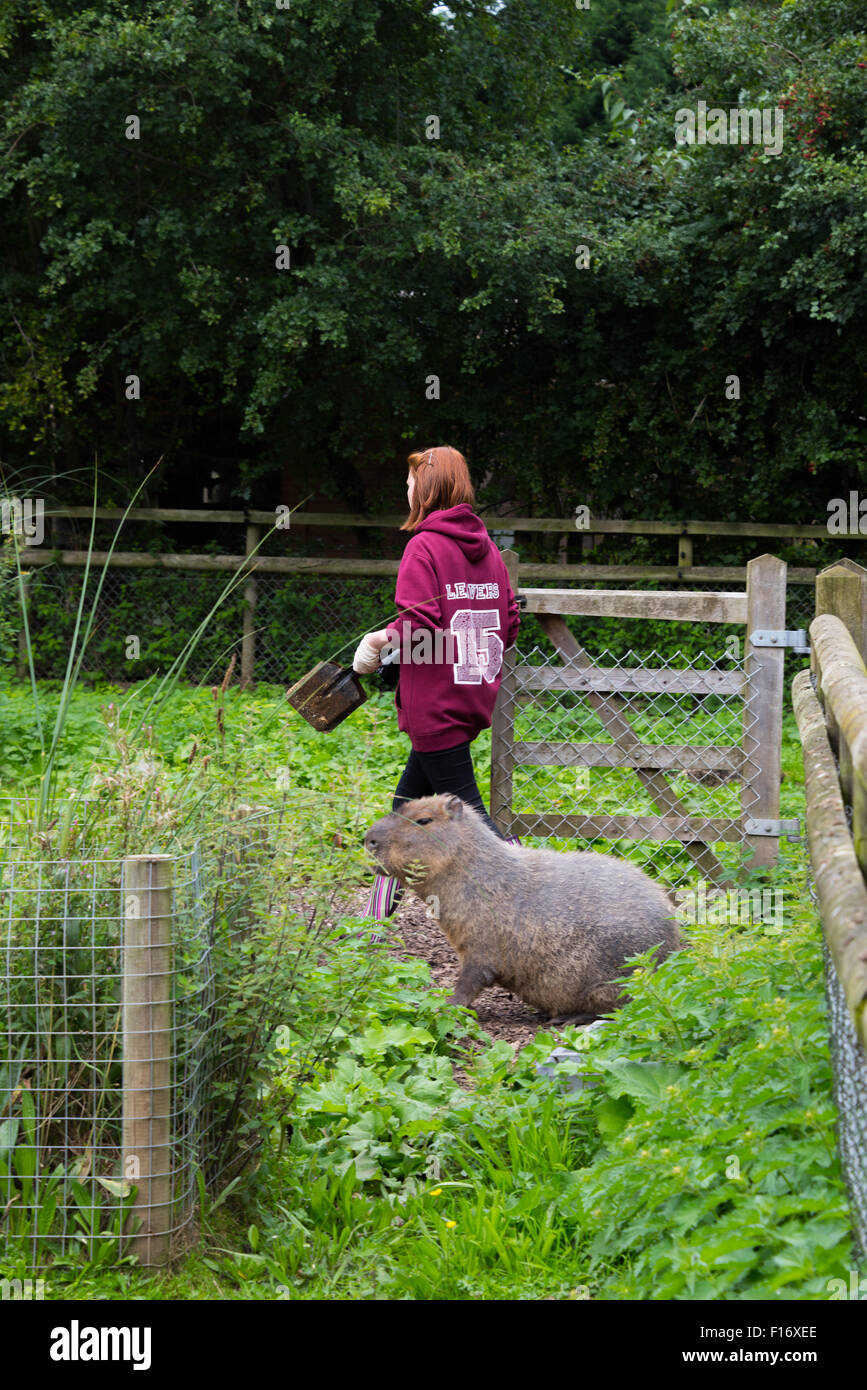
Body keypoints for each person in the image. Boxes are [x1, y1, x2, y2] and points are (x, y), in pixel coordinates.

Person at [353, 444, 521, 921]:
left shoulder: (423, 546)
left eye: (409, 483)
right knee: (404, 809)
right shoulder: (487, 547)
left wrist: (377, 642)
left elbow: (418, 626)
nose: (406, 491)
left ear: (426, 488)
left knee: (471, 819)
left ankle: (534, 895)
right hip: (469, 694)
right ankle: (375, 917)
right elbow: (508, 622)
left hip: (434, 705)